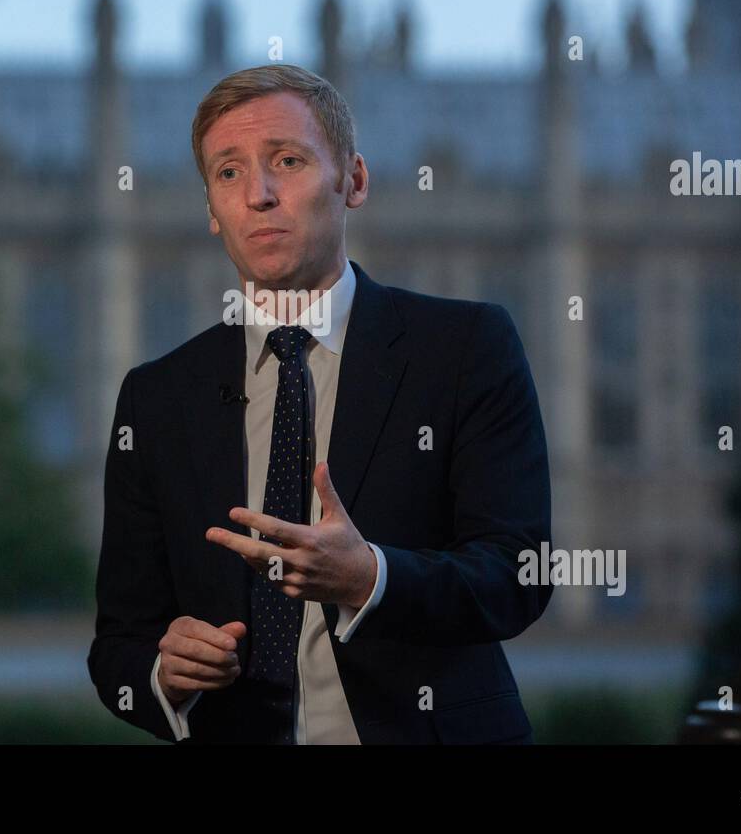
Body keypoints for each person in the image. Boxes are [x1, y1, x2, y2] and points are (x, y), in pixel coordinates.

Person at [87, 63, 553, 743]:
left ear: (353, 181)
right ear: (212, 213)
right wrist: (167, 671)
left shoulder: (463, 348)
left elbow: (518, 574)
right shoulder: (156, 399)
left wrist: (371, 577)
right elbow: (119, 647)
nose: (260, 195)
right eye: (229, 173)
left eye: (288, 161)